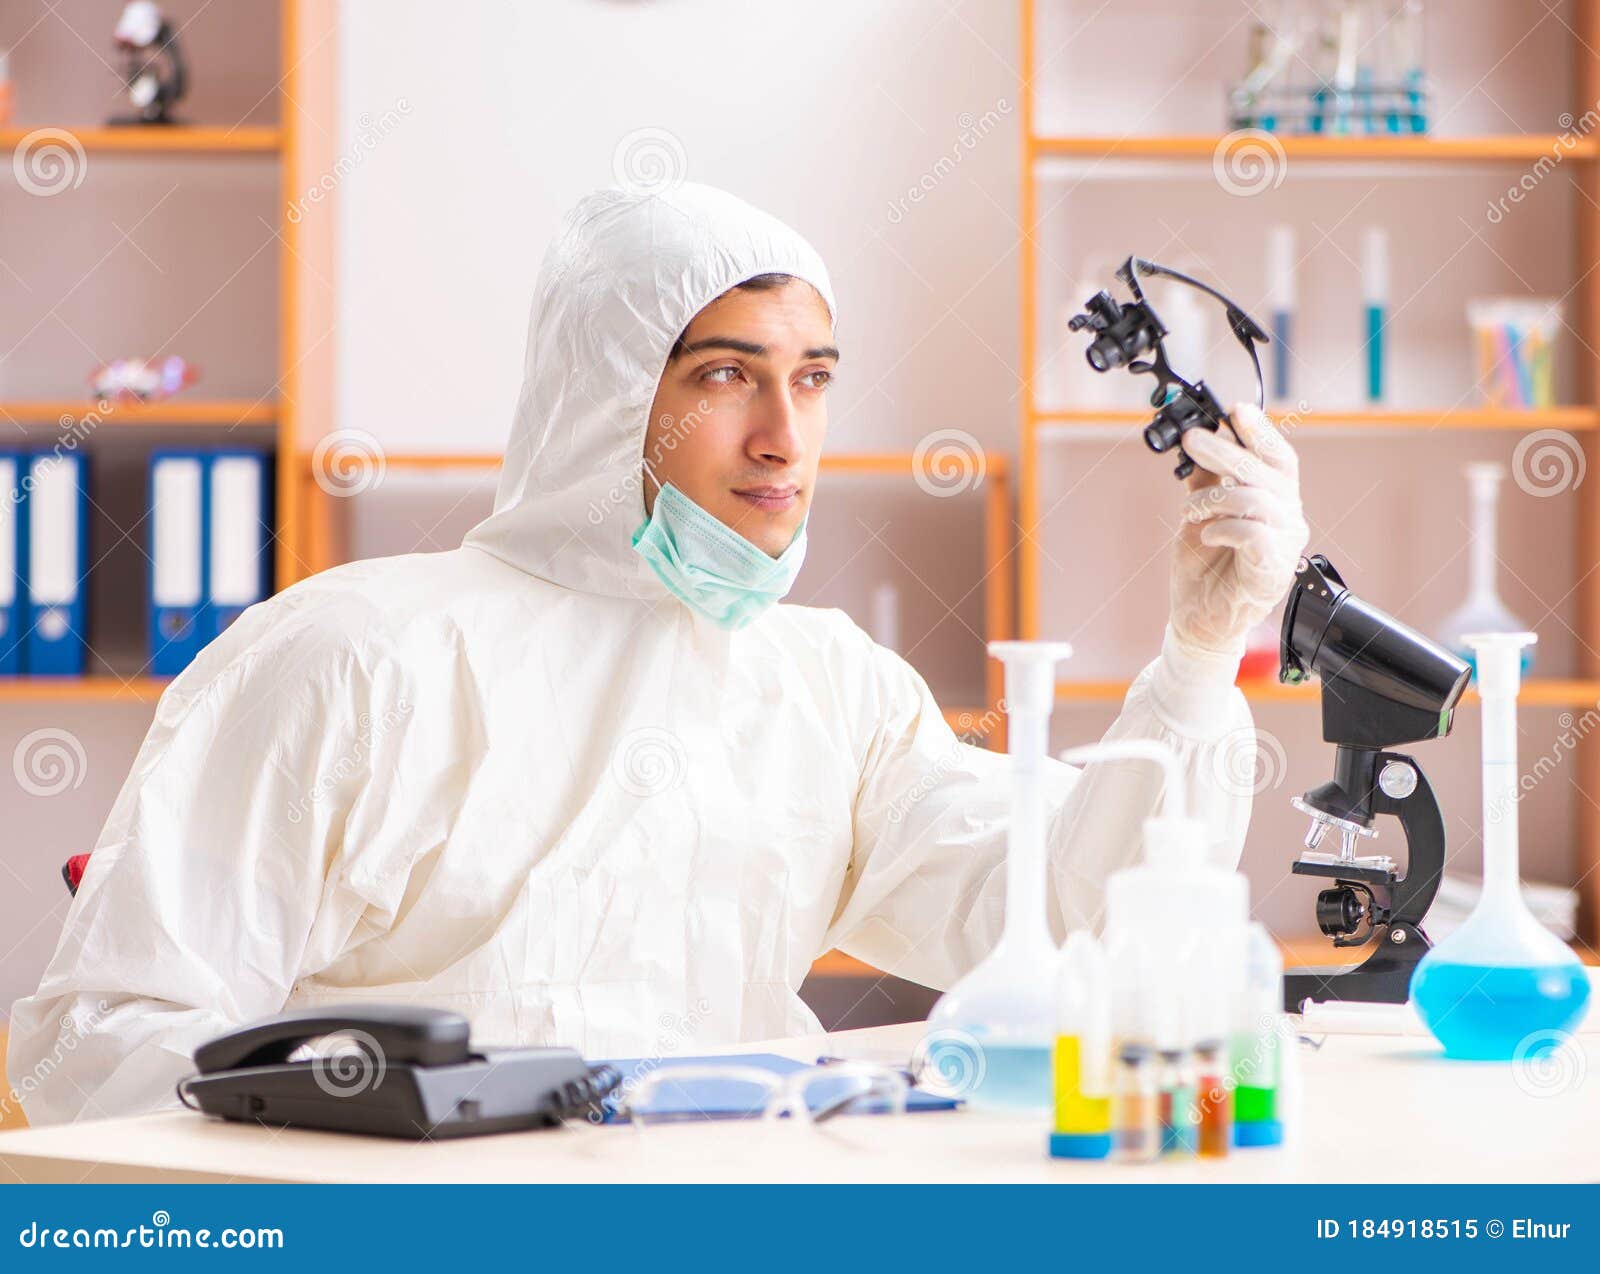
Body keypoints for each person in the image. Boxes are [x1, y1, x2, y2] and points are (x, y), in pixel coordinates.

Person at [7, 182, 1308, 1125]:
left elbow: (1068, 918)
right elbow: (101, 1042)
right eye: (728, 376)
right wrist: (380, 1127)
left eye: (813, 380)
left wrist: (1199, 650)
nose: (786, 438)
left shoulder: (825, 686)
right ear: (608, 393)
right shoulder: (357, 657)